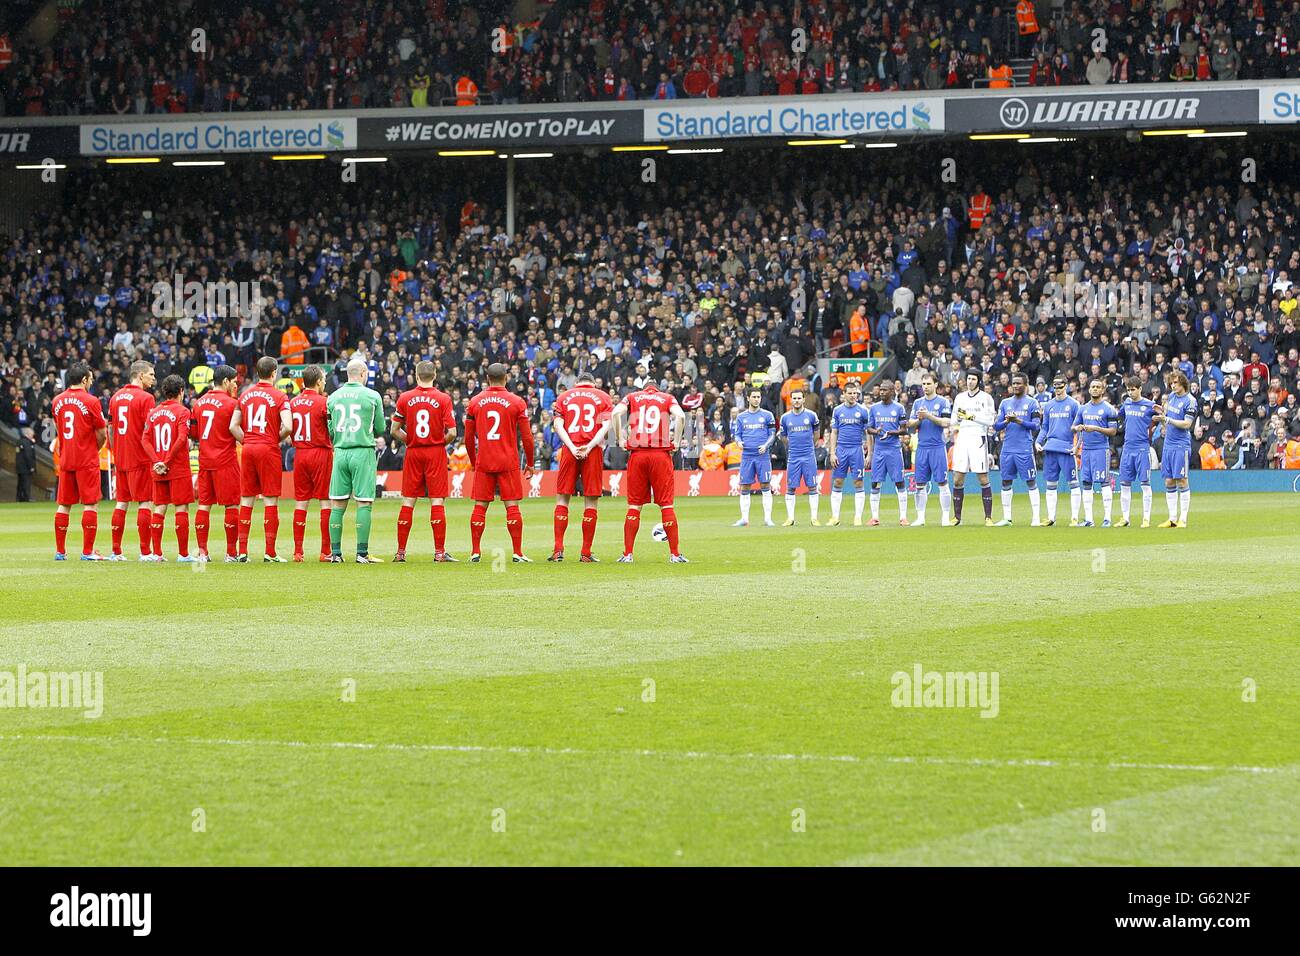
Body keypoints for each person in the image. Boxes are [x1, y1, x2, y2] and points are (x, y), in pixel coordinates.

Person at [464, 362, 534, 563]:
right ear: (506, 378)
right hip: (508, 460)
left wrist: (474, 460)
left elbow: (468, 438)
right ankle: (517, 553)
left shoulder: (475, 402)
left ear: (487, 379)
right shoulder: (517, 402)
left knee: (480, 506)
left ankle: (475, 552)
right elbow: (527, 437)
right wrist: (529, 462)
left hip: (484, 460)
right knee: (511, 506)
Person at [613, 378, 688, 562]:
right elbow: (681, 416)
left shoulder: (632, 396)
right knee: (666, 505)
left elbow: (615, 413)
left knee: (634, 505)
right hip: (660, 455)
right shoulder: (667, 398)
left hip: (638, 455)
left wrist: (620, 439)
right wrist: (676, 442)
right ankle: (675, 554)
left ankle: (628, 554)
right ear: (657, 388)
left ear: (644, 388)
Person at [391, 360, 457, 562]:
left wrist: (410, 440)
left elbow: (394, 430)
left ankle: (401, 552)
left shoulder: (405, 397)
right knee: (437, 500)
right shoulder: (443, 398)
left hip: (413, 452)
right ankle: (439, 552)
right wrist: (439, 443)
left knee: (409, 500)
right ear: (435, 375)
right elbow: (453, 432)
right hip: (435, 452)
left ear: (416, 375)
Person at [326, 357, 387, 562]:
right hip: (362, 452)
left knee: (337, 504)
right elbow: (380, 428)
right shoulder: (372, 396)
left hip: (341, 451)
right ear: (362, 374)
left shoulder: (333, 397)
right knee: (364, 503)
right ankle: (361, 554)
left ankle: (335, 554)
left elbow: (331, 429)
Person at [549, 372, 613, 561]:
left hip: (570, 449)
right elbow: (606, 426)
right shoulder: (603, 397)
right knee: (591, 500)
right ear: (593, 383)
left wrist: (571, 446)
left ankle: (558, 550)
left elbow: (558, 424)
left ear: (576, 383)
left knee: (562, 498)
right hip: (592, 451)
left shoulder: (564, 396)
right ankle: (585, 553)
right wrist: (590, 445)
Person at [232, 356, 291, 561]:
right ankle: (270, 552)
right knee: (270, 499)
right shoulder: (280, 396)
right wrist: (275, 438)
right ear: (274, 373)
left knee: (246, 499)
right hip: (268, 448)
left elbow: (233, 426)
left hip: (249, 448)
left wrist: (247, 441)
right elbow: (289, 426)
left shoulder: (244, 395)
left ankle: (242, 552)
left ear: (257, 372)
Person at [51, 362, 107, 560]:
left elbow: (59, 429)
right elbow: (102, 432)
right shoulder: (91, 401)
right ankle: (87, 551)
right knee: (90, 504)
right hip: (86, 459)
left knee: (64, 504)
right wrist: (94, 449)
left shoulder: (57, 401)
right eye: (90, 378)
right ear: (84, 380)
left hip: (66, 458)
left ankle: (60, 551)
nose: (91, 382)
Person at [192, 365, 243, 561]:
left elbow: (195, 434)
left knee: (204, 505)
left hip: (205, 461)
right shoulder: (232, 404)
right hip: (225, 461)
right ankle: (231, 553)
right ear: (225, 382)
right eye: (234, 382)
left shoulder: (199, 403)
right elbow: (238, 431)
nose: (236, 385)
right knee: (231, 506)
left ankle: (203, 553)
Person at [142, 374, 195, 561]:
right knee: (181, 508)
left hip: (157, 468)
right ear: (181, 391)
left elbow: (145, 440)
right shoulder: (183, 412)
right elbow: (182, 439)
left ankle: (157, 553)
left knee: (159, 507)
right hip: (177, 466)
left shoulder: (153, 413)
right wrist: (167, 461)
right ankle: (183, 554)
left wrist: (157, 461)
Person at [107, 360, 156, 560]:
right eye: (151, 374)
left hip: (121, 457)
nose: (154, 378)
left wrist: (115, 450)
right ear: (140, 375)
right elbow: (149, 430)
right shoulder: (146, 398)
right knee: (145, 503)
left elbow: (110, 428)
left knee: (121, 503)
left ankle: (116, 551)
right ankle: (145, 552)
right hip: (140, 457)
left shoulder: (115, 397)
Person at [287, 365, 334, 562]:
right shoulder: (324, 402)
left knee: (301, 501)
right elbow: (331, 428)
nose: (324, 382)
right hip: (320, 452)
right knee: (325, 501)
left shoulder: (293, 402)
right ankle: (325, 552)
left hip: (300, 454)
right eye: (323, 380)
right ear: (318, 382)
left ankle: (298, 552)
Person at [992, 373, 1042, 526]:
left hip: (1024, 449)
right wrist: (1007, 421)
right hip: (1007, 449)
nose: (1015, 386)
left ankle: (1036, 518)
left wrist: (1018, 420)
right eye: (1014, 383)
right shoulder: (1005, 403)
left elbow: (1036, 425)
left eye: (1019, 383)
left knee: (1031, 481)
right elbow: (996, 426)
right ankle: (1007, 518)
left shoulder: (1033, 403)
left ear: (1025, 385)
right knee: (1006, 481)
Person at [949, 371, 996, 525]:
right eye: (968, 378)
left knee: (982, 477)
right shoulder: (960, 397)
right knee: (957, 478)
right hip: (962, 437)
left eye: (973, 379)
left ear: (978, 381)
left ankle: (988, 517)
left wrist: (971, 416)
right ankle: (957, 517)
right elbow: (953, 419)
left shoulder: (986, 398)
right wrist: (959, 419)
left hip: (978, 438)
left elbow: (990, 420)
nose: (970, 381)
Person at [1036, 376, 1083, 526]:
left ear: (1066, 386)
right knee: (1050, 484)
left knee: (1073, 483)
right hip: (1051, 448)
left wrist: (1077, 446)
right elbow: (1045, 427)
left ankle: (1074, 518)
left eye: (1060, 385)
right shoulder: (1049, 405)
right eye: (1055, 386)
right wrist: (1038, 441)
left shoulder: (1074, 404)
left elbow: (1080, 428)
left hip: (1067, 449)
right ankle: (1051, 518)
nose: (1057, 388)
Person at [907, 372, 953, 526]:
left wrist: (928, 416)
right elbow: (910, 424)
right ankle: (920, 517)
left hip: (937, 447)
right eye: (923, 384)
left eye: (928, 384)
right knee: (919, 484)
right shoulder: (917, 403)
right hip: (922, 448)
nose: (925, 387)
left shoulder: (943, 402)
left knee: (942, 483)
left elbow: (946, 422)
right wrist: (918, 420)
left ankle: (945, 517)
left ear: (935, 385)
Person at [1153, 370, 1196, 527]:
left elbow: (1187, 424)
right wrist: (1161, 416)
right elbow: (1166, 422)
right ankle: (1172, 519)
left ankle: (1183, 519)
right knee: (1169, 481)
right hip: (1168, 444)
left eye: (1175, 383)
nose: (1173, 386)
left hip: (1181, 445)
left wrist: (1167, 419)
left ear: (1183, 383)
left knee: (1182, 480)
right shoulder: (1170, 398)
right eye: (1171, 383)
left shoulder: (1190, 401)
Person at [1074, 379, 1119, 527]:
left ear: (1102, 390)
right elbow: (1074, 428)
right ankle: (1089, 519)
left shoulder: (1109, 409)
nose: (1094, 389)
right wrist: (1078, 434)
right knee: (1086, 483)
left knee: (1104, 483)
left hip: (1101, 450)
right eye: (1092, 386)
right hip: (1086, 450)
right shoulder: (1083, 409)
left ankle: (1107, 519)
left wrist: (1095, 428)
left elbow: (1113, 431)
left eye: (1098, 387)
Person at [866, 379, 909, 526]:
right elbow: (869, 428)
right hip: (879, 451)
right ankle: (874, 517)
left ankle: (903, 517)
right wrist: (876, 431)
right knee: (875, 483)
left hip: (893, 450)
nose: (881, 392)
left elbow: (904, 430)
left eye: (885, 390)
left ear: (892, 391)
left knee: (899, 481)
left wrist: (892, 432)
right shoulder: (873, 408)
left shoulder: (899, 408)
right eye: (881, 390)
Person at [732, 386, 777, 527]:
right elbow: (737, 434)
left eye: (758, 397)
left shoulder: (767, 415)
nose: (757, 399)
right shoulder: (741, 417)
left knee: (765, 485)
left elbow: (772, 434)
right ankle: (744, 519)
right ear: (748, 398)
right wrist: (738, 442)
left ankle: (768, 519)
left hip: (762, 456)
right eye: (754, 397)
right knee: (745, 486)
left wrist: (766, 445)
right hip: (747, 456)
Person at [826, 380, 869, 526]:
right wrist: (832, 453)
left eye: (855, 393)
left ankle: (858, 517)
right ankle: (835, 517)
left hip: (856, 450)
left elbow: (868, 432)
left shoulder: (863, 411)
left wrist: (869, 453)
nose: (852, 396)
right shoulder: (837, 410)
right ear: (843, 394)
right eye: (849, 393)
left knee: (858, 482)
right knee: (838, 481)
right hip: (841, 450)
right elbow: (834, 432)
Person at [1116, 377, 1157, 526]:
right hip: (1127, 448)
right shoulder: (1126, 403)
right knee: (1124, 484)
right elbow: (1118, 415)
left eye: (1133, 389)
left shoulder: (1149, 405)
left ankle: (1146, 518)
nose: (1131, 392)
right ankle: (1125, 518)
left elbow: (1161, 416)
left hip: (1142, 448)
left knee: (1145, 483)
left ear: (1140, 389)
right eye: (1128, 390)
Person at [779, 388, 821, 525]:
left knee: (812, 487)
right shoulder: (785, 418)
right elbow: (783, 436)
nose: (796, 401)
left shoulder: (811, 415)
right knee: (790, 487)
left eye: (799, 398)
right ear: (791, 400)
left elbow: (816, 433)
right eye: (794, 398)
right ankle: (790, 518)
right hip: (793, 457)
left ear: (803, 399)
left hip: (808, 456)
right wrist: (791, 445)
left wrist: (810, 444)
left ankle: (814, 518)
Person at [16, 426, 36, 502]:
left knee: (20, 484)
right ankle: (26, 498)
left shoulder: (19, 441)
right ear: (28, 434)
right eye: (32, 434)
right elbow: (28, 455)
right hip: (26, 468)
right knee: (26, 483)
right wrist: (31, 466)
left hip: (19, 467)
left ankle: (19, 498)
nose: (33, 435)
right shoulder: (27, 442)